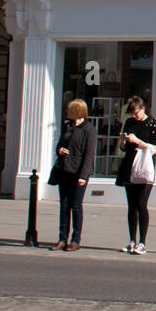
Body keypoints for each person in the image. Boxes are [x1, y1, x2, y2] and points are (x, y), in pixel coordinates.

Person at [116, 95, 156, 255]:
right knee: (132, 206)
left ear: (142, 108)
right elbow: (123, 148)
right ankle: (132, 241)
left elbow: (155, 148)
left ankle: (142, 242)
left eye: (135, 113)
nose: (133, 116)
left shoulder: (153, 124)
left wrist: (138, 142)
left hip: (144, 167)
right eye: (131, 113)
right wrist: (123, 140)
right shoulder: (129, 123)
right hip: (129, 166)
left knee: (142, 204)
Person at [52, 99, 96, 252]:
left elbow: (89, 154)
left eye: (70, 109)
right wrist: (60, 150)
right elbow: (59, 144)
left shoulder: (88, 129)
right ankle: (62, 238)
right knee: (64, 206)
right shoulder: (67, 126)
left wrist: (83, 176)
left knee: (76, 206)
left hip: (78, 172)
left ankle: (75, 239)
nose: (67, 111)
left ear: (77, 111)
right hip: (65, 170)